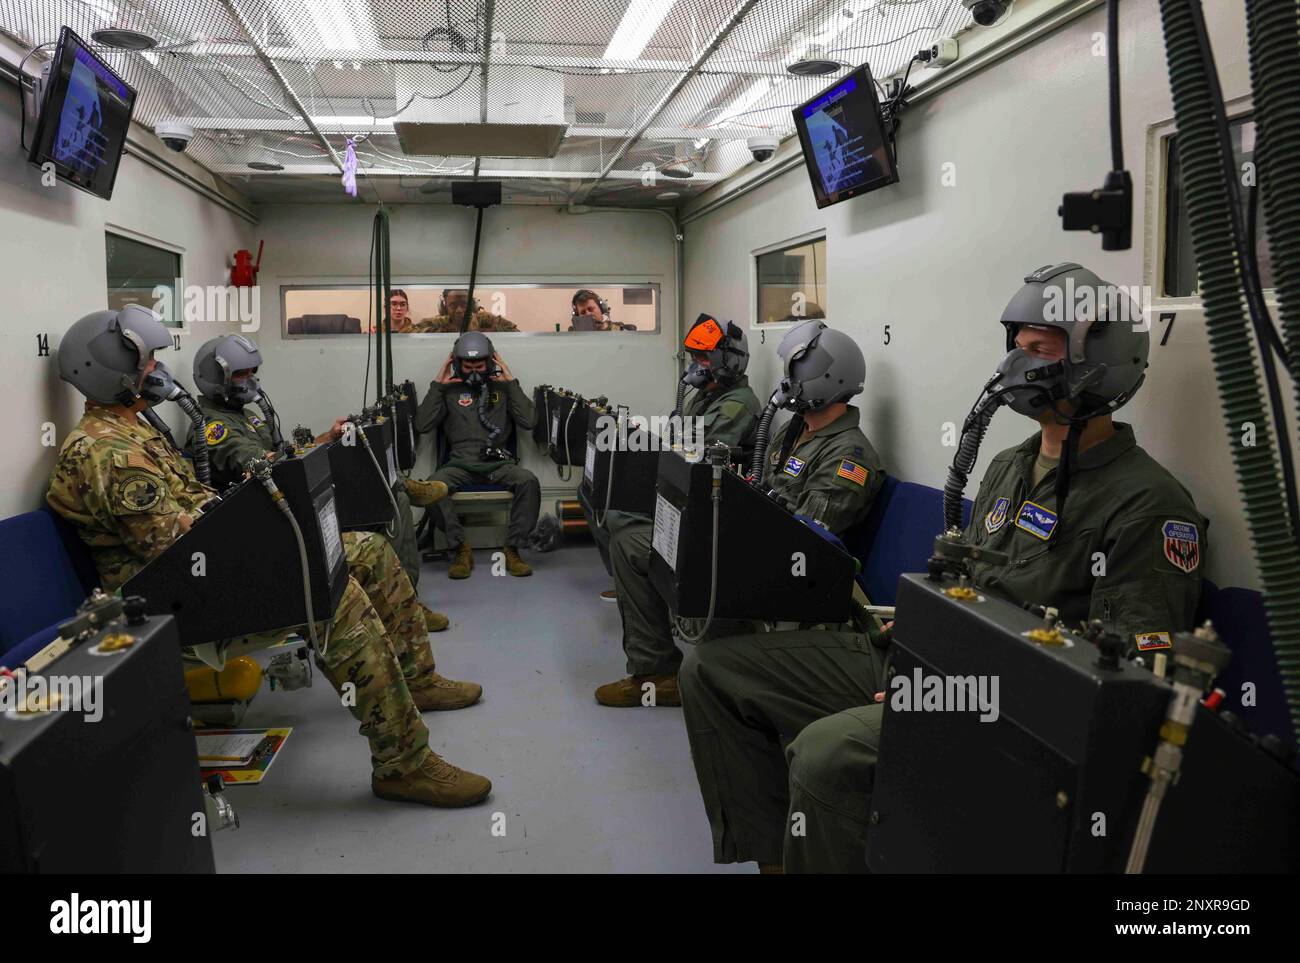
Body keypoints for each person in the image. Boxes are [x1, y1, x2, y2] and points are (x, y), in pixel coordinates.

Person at [680, 262, 1206, 873]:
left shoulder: (1149, 503)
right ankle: (778, 856)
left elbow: (1131, 679)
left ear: (1101, 360)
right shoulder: (1009, 464)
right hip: (923, 653)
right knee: (712, 671)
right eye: (1017, 346)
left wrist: (943, 691)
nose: (1017, 363)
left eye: (1041, 349)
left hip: (1006, 701)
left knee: (827, 754)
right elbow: (967, 580)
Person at [48, 306, 492, 808]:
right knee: (329, 591)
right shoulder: (109, 453)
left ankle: (419, 678)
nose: (157, 371)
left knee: (364, 549)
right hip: (168, 604)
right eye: (148, 362)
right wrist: (263, 550)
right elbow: (173, 552)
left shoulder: (134, 431)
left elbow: (197, 516)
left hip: (197, 574)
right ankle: (403, 765)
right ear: (113, 372)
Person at [596, 319, 884, 708]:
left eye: (796, 373)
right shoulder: (794, 429)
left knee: (658, 547)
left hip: (785, 567)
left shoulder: (851, 454)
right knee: (631, 542)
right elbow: (758, 481)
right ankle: (657, 670)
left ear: (824, 379)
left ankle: (717, 674)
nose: (788, 382)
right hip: (746, 538)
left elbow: (811, 533)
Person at [184, 334, 451, 631]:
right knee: (390, 499)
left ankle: (406, 601)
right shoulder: (213, 427)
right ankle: (404, 602)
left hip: (288, 500)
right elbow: (260, 464)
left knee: (389, 497)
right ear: (216, 377)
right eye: (240, 374)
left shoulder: (244, 416)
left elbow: (284, 454)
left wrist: (327, 437)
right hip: (271, 522)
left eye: (251, 372)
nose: (250, 380)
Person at [580, 314, 759, 605]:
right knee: (594, 491)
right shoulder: (706, 396)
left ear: (728, 361)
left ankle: (642, 586)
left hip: (695, 498)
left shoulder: (737, 405)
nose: (695, 366)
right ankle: (631, 581)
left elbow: (696, 456)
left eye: (702, 358)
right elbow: (679, 441)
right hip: (676, 482)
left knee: (614, 508)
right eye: (694, 357)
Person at [415, 331, 539, 578]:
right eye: (468, 365)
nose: (474, 371)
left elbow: (529, 421)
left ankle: (512, 549)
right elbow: (422, 425)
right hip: (459, 466)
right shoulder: (448, 392)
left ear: (491, 362)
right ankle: (460, 548)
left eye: (480, 365)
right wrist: (438, 385)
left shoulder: (503, 390)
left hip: (497, 464)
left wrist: (510, 382)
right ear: (457, 364)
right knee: (430, 489)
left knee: (528, 481)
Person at [411, 289, 518, 333]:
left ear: (472, 305)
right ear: (444, 307)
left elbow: (515, 331)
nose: (459, 310)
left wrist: (491, 331)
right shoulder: (438, 322)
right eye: (453, 305)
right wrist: (440, 332)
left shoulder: (484, 318)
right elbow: (410, 333)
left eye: (464, 304)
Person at [568, 289, 636, 331]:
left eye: (591, 309)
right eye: (583, 312)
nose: (588, 314)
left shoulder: (617, 331)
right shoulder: (574, 336)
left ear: (601, 309)